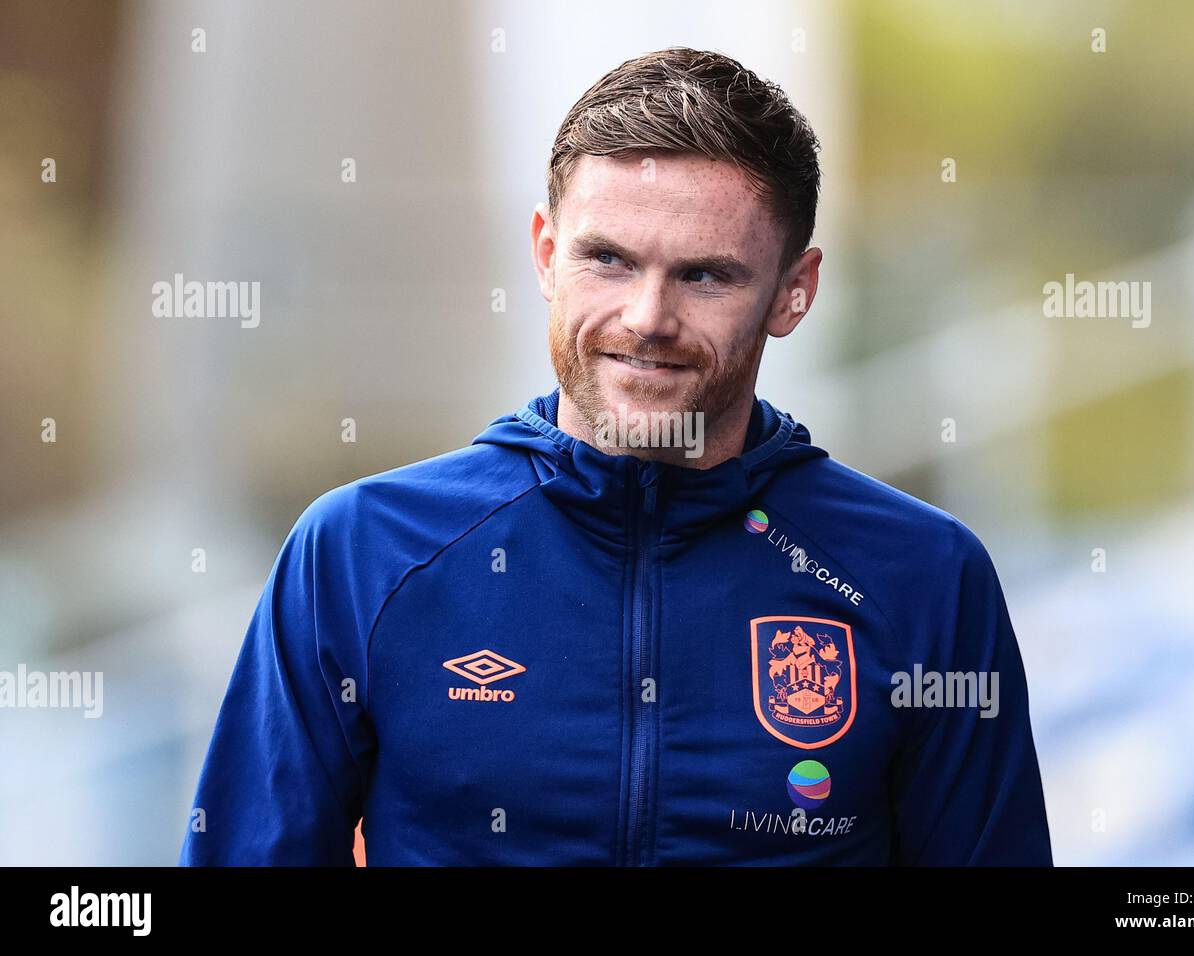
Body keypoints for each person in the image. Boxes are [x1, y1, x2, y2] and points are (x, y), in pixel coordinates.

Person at [180, 46, 1052, 866]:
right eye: (608, 260)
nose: (646, 319)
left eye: (704, 275)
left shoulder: (923, 575)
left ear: (794, 292)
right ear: (546, 255)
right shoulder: (360, 552)